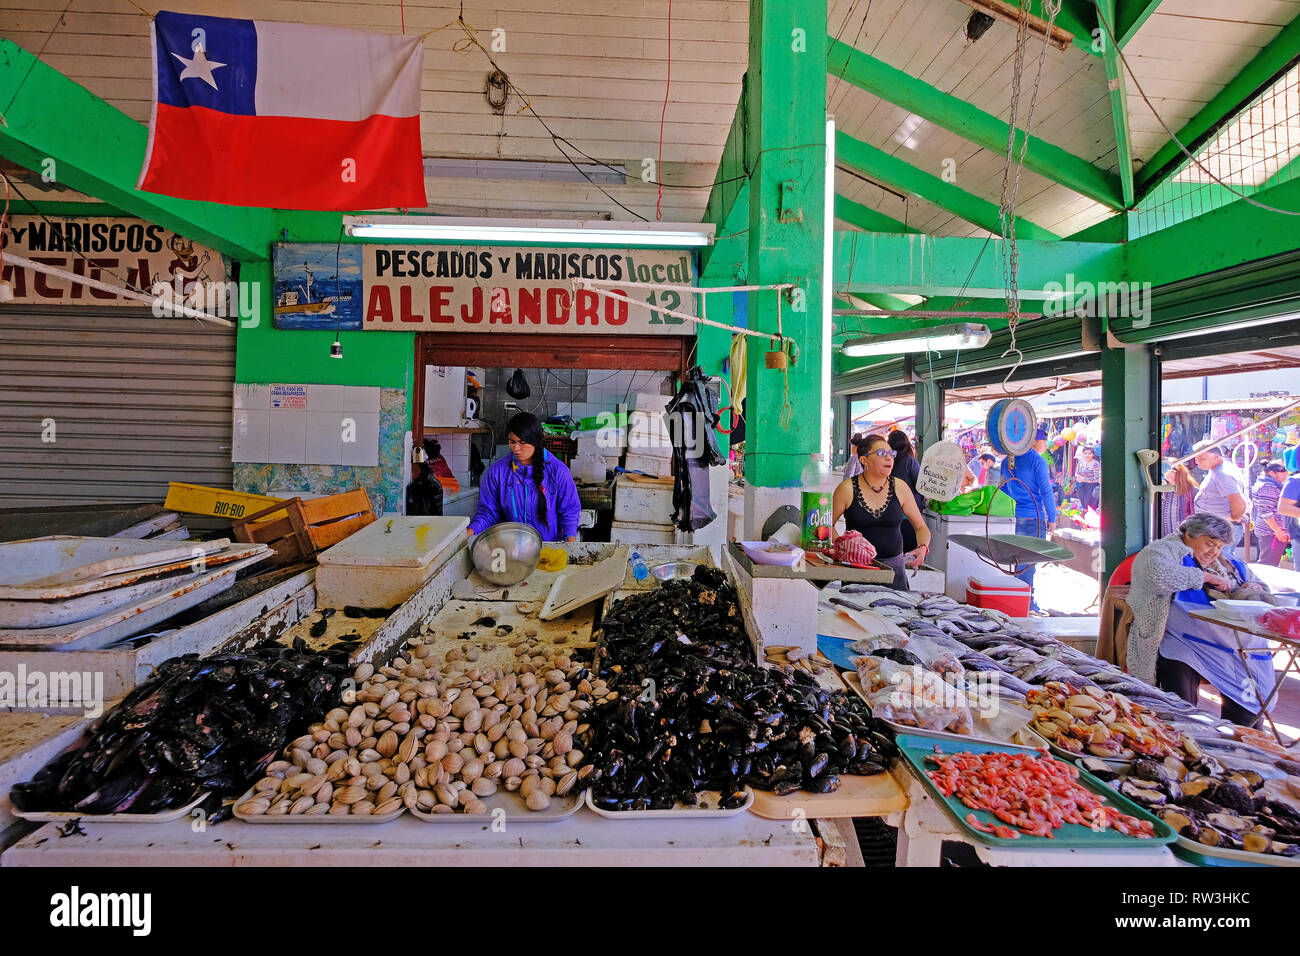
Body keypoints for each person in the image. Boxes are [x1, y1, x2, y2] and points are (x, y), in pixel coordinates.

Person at [1128, 513, 1275, 727]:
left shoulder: (1228, 562)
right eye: (1209, 544)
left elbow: (1262, 587)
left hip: (1230, 644)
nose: (1214, 552)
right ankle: (1183, 734)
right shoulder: (1162, 550)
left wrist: (1255, 589)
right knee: (1179, 701)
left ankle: (1243, 742)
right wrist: (1206, 577)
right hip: (1184, 641)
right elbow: (1161, 576)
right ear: (1189, 534)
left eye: (1219, 547)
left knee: (1248, 703)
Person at [832, 433, 932, 590]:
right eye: (881, 454)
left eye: (891, 454)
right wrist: (841, 547)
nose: (889, 458)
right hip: (856, 570)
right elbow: (825, 525)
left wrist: (922, 547)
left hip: (894, 571)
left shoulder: (900, 487)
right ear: (864, 459)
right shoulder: (847, 489)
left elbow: (921, 527)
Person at [467, 412, 581, 542]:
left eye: (522, 442)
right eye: (512, 441)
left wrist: (570, 547)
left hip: (549, 549)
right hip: (511, 549)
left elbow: (570, 514)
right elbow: (487, 513)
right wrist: (468, 532)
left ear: (536, 441)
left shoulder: (558, 471)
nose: (516, 448)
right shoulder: (498, 472)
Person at [999, 442, 1058, 614]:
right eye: (1043, 440)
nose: (1045, 444)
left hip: (1011, 518)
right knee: (1026, 565)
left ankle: (1012, 602)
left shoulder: (1007, 461)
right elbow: (1046, 491)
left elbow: (1003, 489)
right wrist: (1052, 518)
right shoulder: (1036, 461)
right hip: (1032, 518)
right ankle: (1027, 605)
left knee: (1014, 562)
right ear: (1032, 440)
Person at [1192, 440, 1249, 553]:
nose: (1197, 462)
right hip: (1220, 526)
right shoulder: (1221, 468)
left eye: (1202, 458)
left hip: (1220, 528)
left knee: (1217, 565)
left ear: (1216, 457)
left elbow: (1239, 502)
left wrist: (1234, 518)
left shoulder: (1221, 474)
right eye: (1196, 458)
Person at [888, 430, 927, 554]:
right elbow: (921, 485)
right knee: (909, 555)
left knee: (895, 553)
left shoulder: (889, 461)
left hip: (891, 514)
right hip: (909, 516)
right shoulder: (909, 461)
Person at [1251, 460, 1291, 567]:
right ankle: (1262, 583)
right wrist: (1277, 530)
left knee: (1270, 561)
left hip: (1272, 531)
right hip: (1271, 532)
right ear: (1272, 473)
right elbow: (1265, 511)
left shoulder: (1268, 484)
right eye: (1282, 472)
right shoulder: (1268, 486)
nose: (1285, 474)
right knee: (1268, 563)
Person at [1160, 463, 1197, 537]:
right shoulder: (1161, 487)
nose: (1167, 474)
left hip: (1180, 536)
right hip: (1161, 535)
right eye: (1165, 471)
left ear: (1180, 472)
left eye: (1171, 471)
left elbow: (1196, 515)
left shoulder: (1191, 490)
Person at [1073, 445, 1102, 512]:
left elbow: (1097, 478)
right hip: (1082, 485)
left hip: (1092, 487)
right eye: (1085, 453)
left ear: (1093, 454)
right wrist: (1078, 478)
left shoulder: (1095, 464)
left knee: (1089, 504)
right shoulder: (1081, 462)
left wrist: (1084, 479)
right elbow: (1077, 472)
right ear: (1083, 453)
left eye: (1089, 453)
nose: (1087, 455)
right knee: (1082, 502)